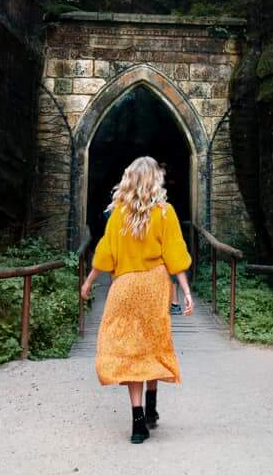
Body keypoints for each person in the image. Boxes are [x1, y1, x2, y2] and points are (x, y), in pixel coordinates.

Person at [79, 155, 194, 443]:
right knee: (152, 343)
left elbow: (105, 253)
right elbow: (175, 255)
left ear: (129, 179)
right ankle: (153, 406)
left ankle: (139, 421)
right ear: (156, 180)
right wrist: (186, 292)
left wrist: (89, 281)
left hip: (126, 287)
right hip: (155, 285)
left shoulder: (119, 214)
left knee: (131, 350)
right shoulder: (165, 213)